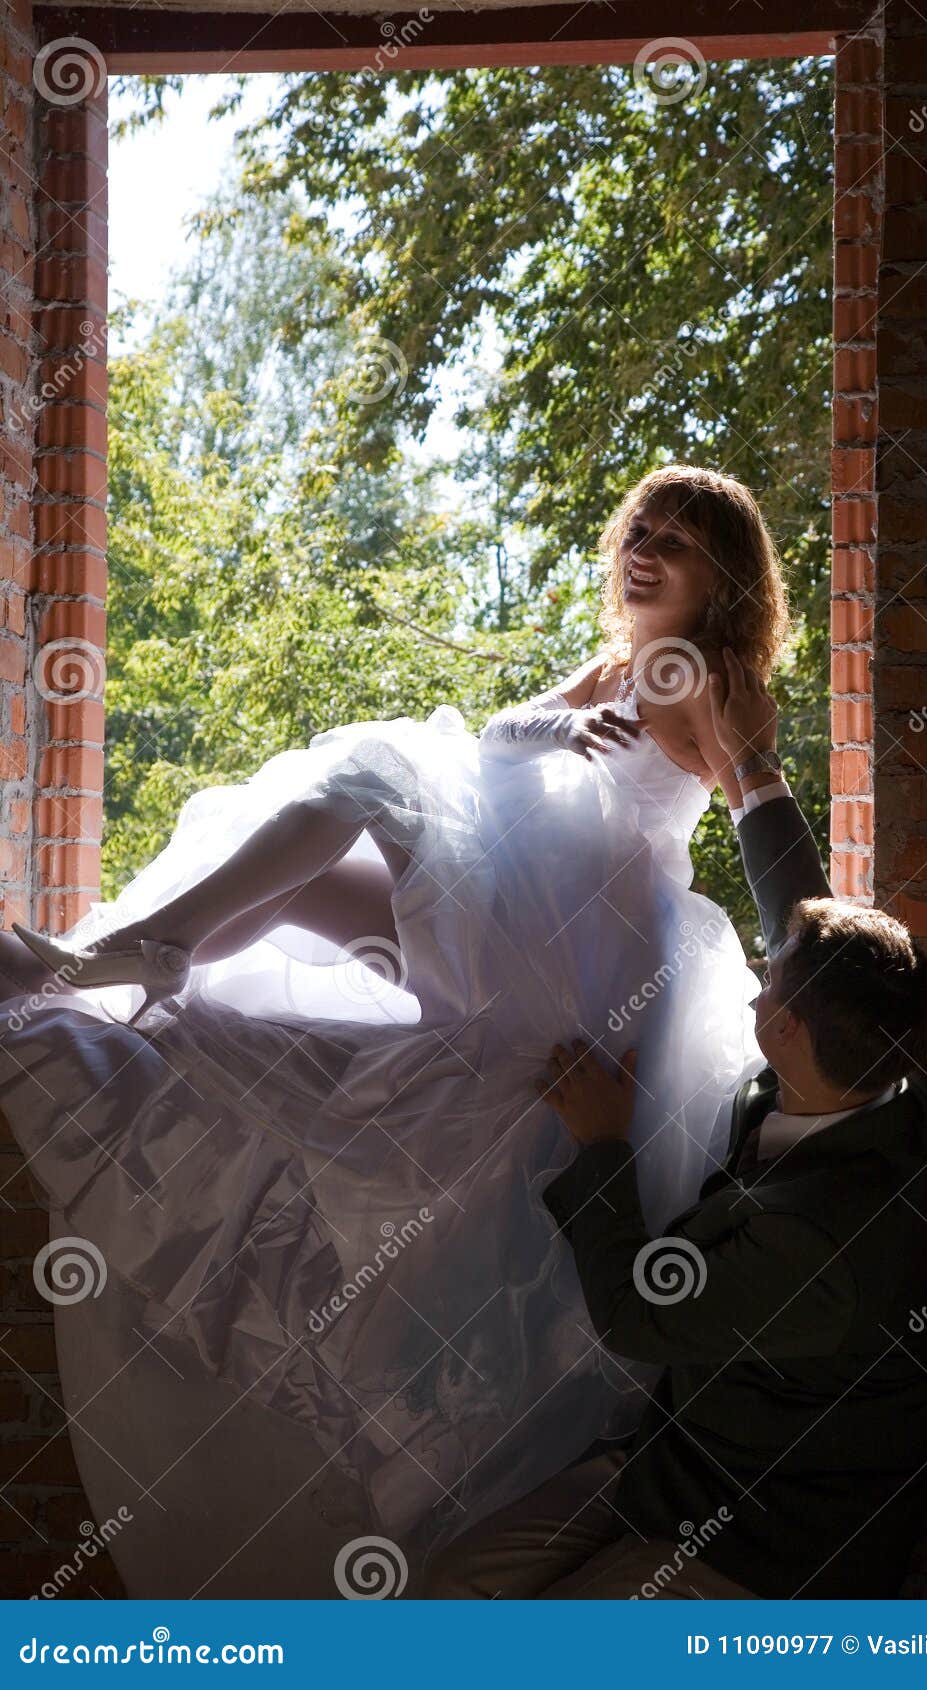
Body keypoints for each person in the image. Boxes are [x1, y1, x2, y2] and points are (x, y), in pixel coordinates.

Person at [0, 465, 783, 1565]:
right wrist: (558, 735)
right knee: (324, 847)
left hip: (580, 960)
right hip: (508, 921)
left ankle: (154, 949)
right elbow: (507, 733)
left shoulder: (717, 679)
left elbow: (761, 805)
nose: (644, 547)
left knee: (364, 786)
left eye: (680, 541)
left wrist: (796, 931)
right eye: (639, 526)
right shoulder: (613, 660)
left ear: (725, 576)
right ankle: (151, 956)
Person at [423, 654, 927, 1600]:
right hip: (669, 1469)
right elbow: (805, 926)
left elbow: (635, 1314)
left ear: (784, 1027)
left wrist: (601, 1145)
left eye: (770, 975)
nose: (755, 964)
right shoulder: (870, 1067)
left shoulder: (823, 1241)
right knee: (443, 1598)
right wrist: (756, 767)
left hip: (771, 1542)